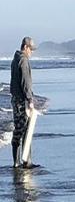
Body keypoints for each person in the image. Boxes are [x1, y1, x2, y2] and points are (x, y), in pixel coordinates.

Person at [10, 37, 38, 169]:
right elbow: (25, 83)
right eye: (31, 49)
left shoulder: (15, 59)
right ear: (25, 47)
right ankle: (25, 161)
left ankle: (19, 161)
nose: (31, 52)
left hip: (15, 99)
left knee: (19, 129)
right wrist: (30, 100)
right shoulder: (23, 60)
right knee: (25, 129)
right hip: (22, 101)